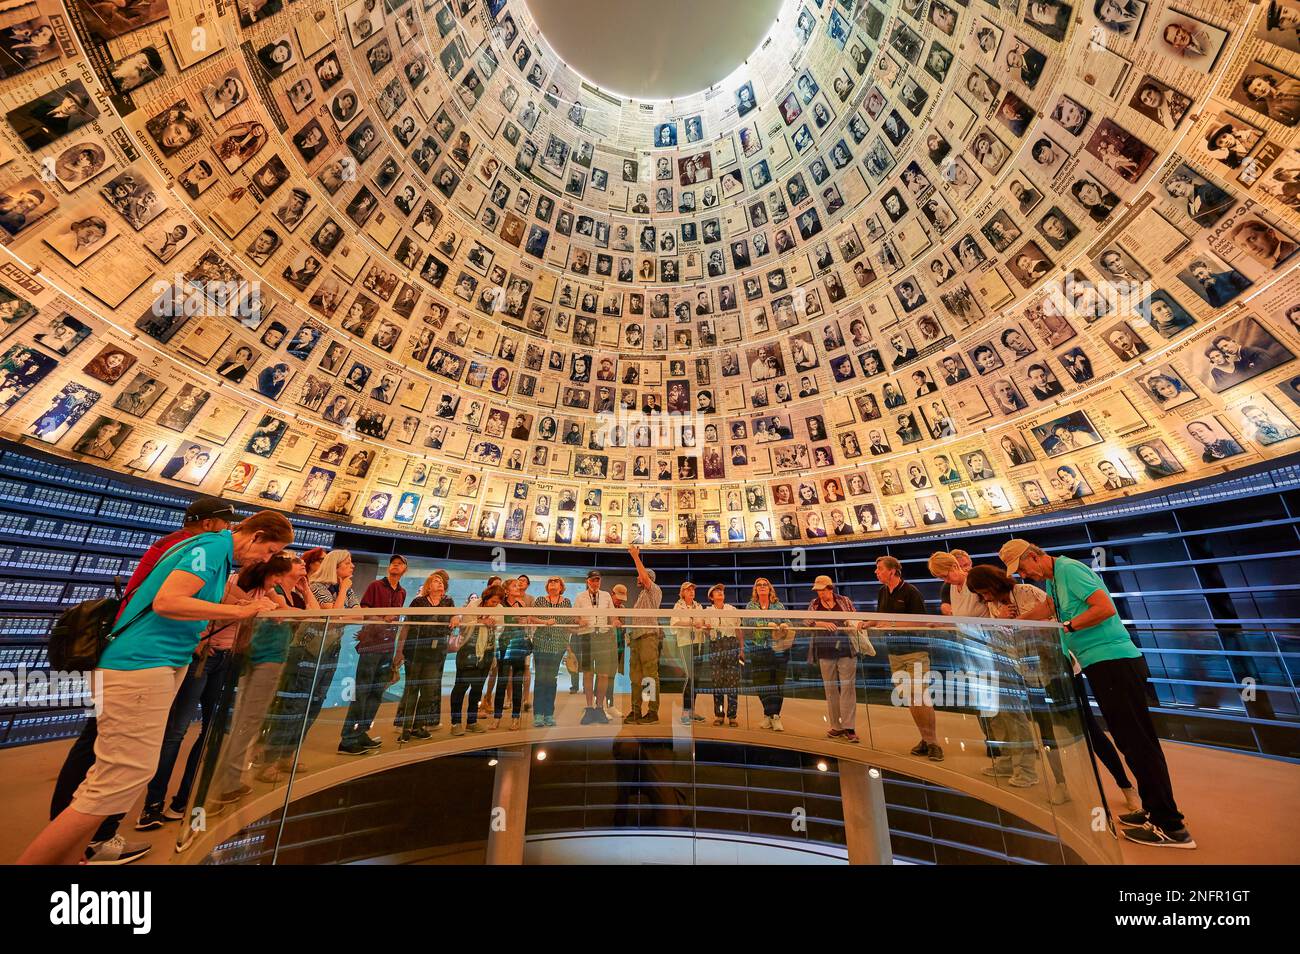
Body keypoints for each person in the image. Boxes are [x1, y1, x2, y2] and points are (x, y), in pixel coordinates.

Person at [20, 511, 293, 865]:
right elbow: (168, 601)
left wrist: (237, 606)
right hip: (141, 665)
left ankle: (73, 857)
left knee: (114, 778)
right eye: (270, 550)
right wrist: (241, 614)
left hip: (153, 664)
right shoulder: (211, 547)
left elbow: (182, 602)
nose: (267, 560)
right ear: (255, 537)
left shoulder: (215, 554)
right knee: (120, 778)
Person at [47, 497, 240, 862]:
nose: (230, 532)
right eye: (227, 524)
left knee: (103, 754)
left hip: (133, 652)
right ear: (213, 524)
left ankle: (79, 836)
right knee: (110, 761)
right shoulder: (201, 546)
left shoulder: (176, 544)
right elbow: (167, 601)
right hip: (140, 656)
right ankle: (84, 835)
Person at [999, 540, 1195, 848]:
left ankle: (1171, 826)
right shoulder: (1054, 581)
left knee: (1137, 742)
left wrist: (1069, 627)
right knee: (1130, 742)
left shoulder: (1069, 570)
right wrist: (1013, 623)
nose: (1025, 576)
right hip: (1100, 664)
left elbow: (1104, 608)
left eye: (1024, 568)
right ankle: (1154, 809)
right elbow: (1047, 608)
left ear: (1035, 556)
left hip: (1113, 662)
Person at [967, 565, 1140, 813]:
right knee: (1047, 733)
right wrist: (1004, 622)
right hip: (1029, 673)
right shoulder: (995, 607)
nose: (984, 598)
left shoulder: (1027, 592)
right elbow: (1004, 641)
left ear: (992, 584)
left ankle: (1125, 785)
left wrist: (1019, 621)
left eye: (983, 591)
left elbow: (1057, 623)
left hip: (1058, 668)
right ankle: (1061, 783)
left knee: (1089, 729)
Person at [874, 556, 942, 760]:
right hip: (894, 654)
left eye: (879, 569)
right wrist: (869, 623)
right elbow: (883, 620)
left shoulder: (911, 592)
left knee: (920, 697)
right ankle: (925, 738)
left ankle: (934, 743)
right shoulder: (882, 592)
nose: (876, 572)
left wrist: (892, 626)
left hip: (915, 653)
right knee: (911, 699)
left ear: (892, 571)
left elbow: (919, 622)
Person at [338, 555, 407, 755]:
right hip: (371, 646)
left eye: (400, 563)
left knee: (376, 692)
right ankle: (348, 737)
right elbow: (365, 611)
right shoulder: (375, 586)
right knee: (362, 691)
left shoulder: (401, 592)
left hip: (387, 647)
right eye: (394, 562)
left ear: (404, 569)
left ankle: (362, 732)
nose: (396, 565)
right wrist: (382, 617)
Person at [807, 576, 872, 743]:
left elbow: (855, 618)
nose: (820, 593)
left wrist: (850, 622)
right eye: (818, 590)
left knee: (848, 687)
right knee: (830, 689)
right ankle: (836, 726)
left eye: (823, 590)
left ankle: (850, 727)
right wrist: (820, 623)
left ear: (830, 588)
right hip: (824, 649)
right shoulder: (814, 604)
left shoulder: (844, 600)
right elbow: (807, 621)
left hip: (845, 648)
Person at [395, 570, 456, 740]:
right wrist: (399, 651)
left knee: (429, 691)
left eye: (441, 582)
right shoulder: (418, 602)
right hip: (415, 651)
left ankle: (418, 725)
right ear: (428, 586)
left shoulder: (448, 602)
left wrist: (455, 618)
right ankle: (406, 728)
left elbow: (454, 617)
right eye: (436, 581)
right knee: (412, 689)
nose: (440, 583)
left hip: (435, 653)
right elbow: (407, 626)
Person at [449, 584, 504, 735]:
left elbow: (501, 627)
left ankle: (471, 721)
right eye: (492, 601)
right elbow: (464, 625)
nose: (494, 605)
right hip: (468, 651)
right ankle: (455, 722)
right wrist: (481, 621)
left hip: (487, 652)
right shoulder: (473, 605)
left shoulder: (499, 608)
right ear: (486, 598)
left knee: (477, 688)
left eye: (497, 602)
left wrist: (493, 624)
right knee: (461, 687)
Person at [625, 545, 664, 723]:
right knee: (635, 676)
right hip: (636, 638)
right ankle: (635, 710)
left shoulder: (653, 590)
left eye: (641, 575)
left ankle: (652, 711)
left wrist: (635, 557)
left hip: (648, 636)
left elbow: (644, 576)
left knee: (649, 676)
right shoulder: (641, 596)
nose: (638, 578)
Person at [746, 578, 791, 730]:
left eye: (765, 585)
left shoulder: (778, 605)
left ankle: (774, 716)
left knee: (777, 683)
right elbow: (748, 623)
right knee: (761, 683)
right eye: (759, 585)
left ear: (770, 588)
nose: (762, 587)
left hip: (778, 649)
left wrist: (785, 625)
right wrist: (765, 624)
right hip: (759, 648)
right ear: (756, 589)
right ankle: (769, 713)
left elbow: (788, 622)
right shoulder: (751, 606)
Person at [490, 578, 533, 729]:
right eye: (514, 585)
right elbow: (499, 625)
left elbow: (526, 625)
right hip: (504, 644)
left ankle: (516, 717)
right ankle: (497, 717)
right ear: (506, 590)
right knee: (501, 681)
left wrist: (524, 621)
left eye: (519, 585)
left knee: (517, 682)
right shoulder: (500, 605)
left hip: (519, 645)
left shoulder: (522, 604)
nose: (519, 586)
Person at [573, 569, 614, 724]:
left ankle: (600, 708)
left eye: (597, 580)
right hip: (587, 636)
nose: (595, 583)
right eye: (592, 580)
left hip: (603, 636)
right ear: (587, 581)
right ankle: (589, 708)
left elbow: (613, 615)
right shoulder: (580, 597)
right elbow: (574, 618)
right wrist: (579, 621)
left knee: (603, 674)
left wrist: (615, 622)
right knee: (588, 673)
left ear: (600, 581)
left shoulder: (606, 595)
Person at [531, 577, 572, 727]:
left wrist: (580, 622)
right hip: (541, 643)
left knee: (551, 680)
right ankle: (538, 714)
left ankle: (549, 714)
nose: (553, 584)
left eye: (556, 582)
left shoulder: (566, 602)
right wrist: (544, 622)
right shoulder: (540, 600)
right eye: (551, 582)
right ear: (547, 586)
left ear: (561, 587)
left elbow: (569, 622)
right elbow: (532, 617)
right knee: (541, 679)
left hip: (558, 645)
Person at [703, 585, 741, 726]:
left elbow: (738, 630)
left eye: (721, 591)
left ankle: (732, 716)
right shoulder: (707, 611)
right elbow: (706, 633)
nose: (720, 592)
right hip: (715, 645)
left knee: (732, 683)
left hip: (731, 645)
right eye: (716, 591)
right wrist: (706, 630)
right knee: (717, 683)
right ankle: (719, 715)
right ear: (711, 597)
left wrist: (741, 649)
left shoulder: (732, 610)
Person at [670, 581, 708, 724]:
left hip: (699, 643)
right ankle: (685, 712)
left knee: (696, 679)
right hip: (685, 643)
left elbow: (702, 622)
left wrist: (705, 625)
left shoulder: (698, 606)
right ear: (682, 592)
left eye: (693, 589)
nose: (691, 592)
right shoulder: (678, 606)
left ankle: (691, 711)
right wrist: (691, 624)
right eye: (688, 590)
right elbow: (674, 623)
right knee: (690, 677)